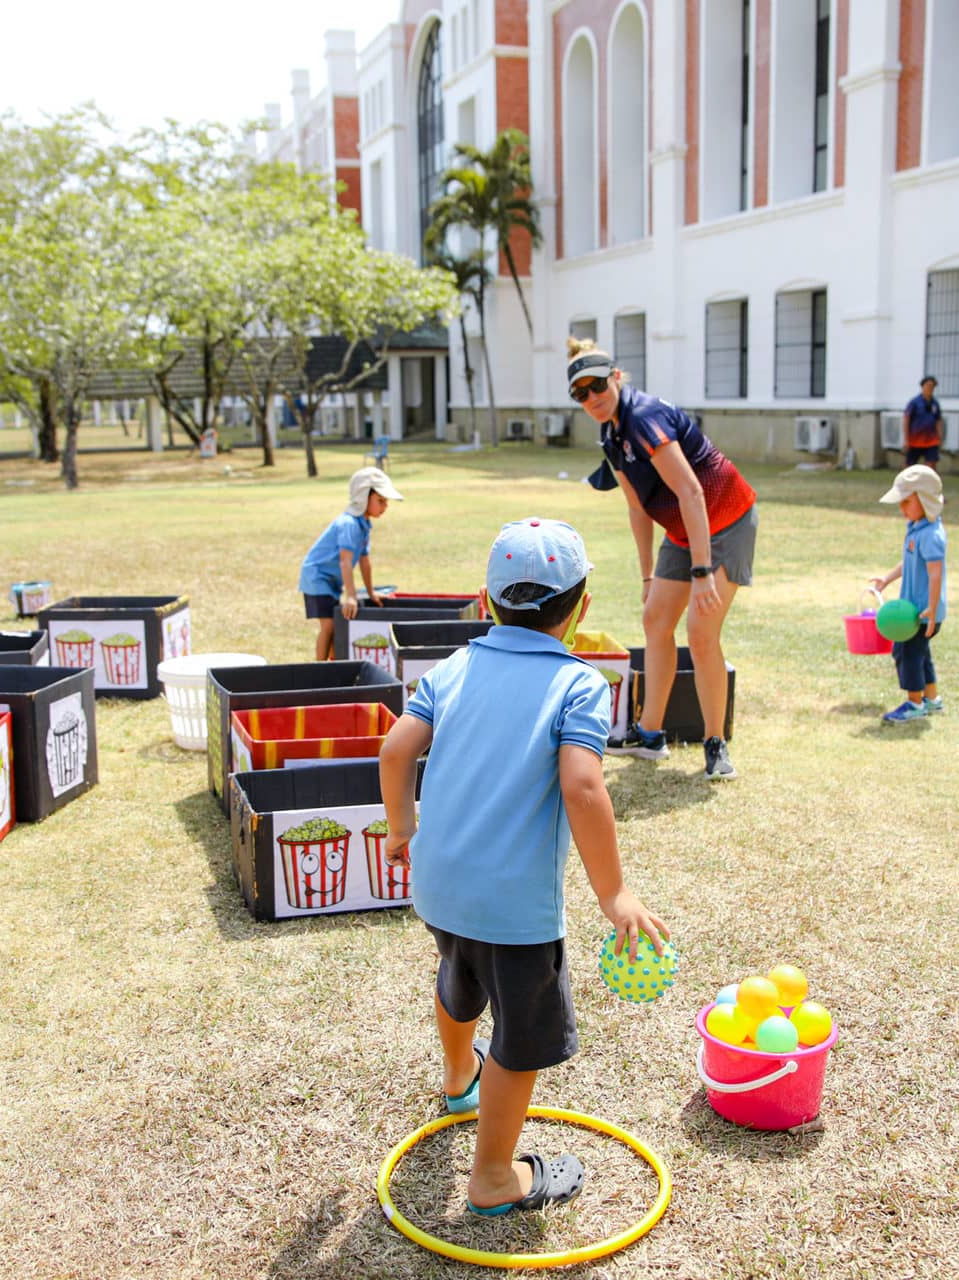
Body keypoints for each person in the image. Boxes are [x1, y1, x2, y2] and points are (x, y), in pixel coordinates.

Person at [377, 517, 667, 1215]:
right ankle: (496, 1178)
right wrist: (615, 893)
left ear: (485, 602)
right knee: (522, 1037)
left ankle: (457, 1077)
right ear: (582, 609)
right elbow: (583, 785)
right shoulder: (578, 683)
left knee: (459, 972)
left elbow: (394, 750)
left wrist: (401, 826)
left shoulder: (455, 666)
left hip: (440, 887)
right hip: (515, 910)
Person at [570, 339, 754, 780]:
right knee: (655, 619)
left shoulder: (645, 417)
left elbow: (691, 491)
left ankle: (715, 743)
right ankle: (650, 734)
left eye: (597, 386)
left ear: (616, 378)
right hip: (682, 530)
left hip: (725, 521)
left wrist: (703, 571)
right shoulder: (611, 435)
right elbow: (636, 508)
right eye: (580, 393)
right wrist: (647, 575)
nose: (592, 398)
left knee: (700, 630)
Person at [297, 466, 402, 660]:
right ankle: (317, 672)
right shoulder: (349, 524)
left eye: (385, 502)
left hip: (331, 582)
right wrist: (351, 596)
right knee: (328, 626)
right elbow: (345, 562)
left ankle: (335, 666)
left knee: (336, 626)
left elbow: (364, 562)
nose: (385, 506)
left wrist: (371, 593)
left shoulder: (363, 525)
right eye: (380, 501)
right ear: (363, 497)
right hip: (318, 577)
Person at [868, 466, 947, 724]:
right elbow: (909, 562)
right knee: (921, 653)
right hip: (917, 611)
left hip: (924, 612)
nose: (901, 507)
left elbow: (935, 574)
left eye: (906, 501)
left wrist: (932, 610)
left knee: (907, 652)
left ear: (924, 499)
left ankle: (915, 703)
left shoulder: (931, 535)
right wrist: (887, 579)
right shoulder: (916, 528)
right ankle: (932, 699)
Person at [903, 375, 942, 465]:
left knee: (931, 465)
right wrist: (906, 439)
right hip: (915, 440)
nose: (930, 388)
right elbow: (907, 419)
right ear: (923, 386)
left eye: (932, 386)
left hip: (931, 440)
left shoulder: (935, 403)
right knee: (909, 466)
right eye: (928, 385)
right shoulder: (914, 402)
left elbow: (938, 421)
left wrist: (939, 437)